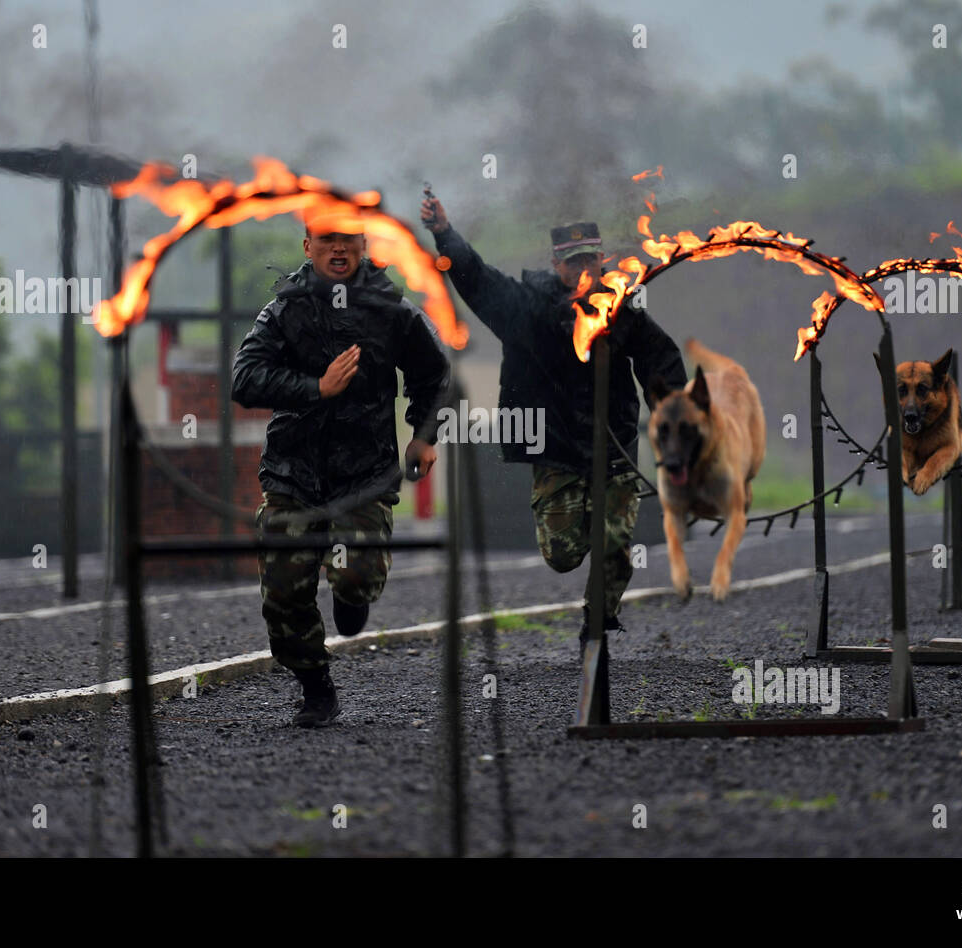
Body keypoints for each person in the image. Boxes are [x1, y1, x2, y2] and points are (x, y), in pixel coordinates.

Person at [420, 197, 686, 656]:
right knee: (563, 554)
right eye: (573, 262)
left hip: (614, 446)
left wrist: (673, 420)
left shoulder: (620, 306)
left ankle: (598, 623)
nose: (583, 270)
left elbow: (660, 362)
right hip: (556, 449)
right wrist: (445, 233)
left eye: (590, 260)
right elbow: (477, 278)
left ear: (601, 260)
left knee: (615, 543)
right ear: (555, 263)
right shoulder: (525, 307)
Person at [232, 223, 450, 727]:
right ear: (308, 247)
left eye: (348, 240)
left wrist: (423, 436)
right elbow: (244, 379)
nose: (338, 249)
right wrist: (316, 386)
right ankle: (316, 688)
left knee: (355, 573)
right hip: (293, 471)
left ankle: (353, 598)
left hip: (365, 474)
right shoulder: (286, 309)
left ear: (363, 246)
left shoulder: (391, 310)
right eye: (326, 240)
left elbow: (435, 375)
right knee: (284, 592)